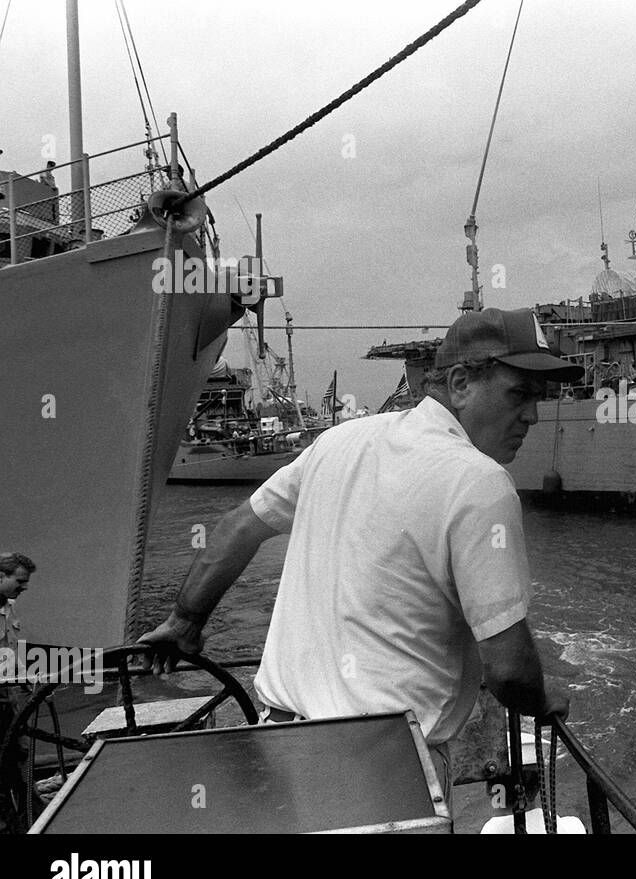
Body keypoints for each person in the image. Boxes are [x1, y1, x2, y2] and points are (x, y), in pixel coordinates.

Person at [140, 309, 582, 801]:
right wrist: (542, 700)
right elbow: (507, 669)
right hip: (384, 767)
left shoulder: (338, 441)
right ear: (460, 384)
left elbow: (238, 528)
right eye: (520, 394)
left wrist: (184, 621)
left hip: (277, 744)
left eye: (539, 399)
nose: (533, 416)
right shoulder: (479, 482)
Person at [0, 553, 36, 831]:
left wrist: (31, 680)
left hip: (7, 697)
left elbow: (8, 650)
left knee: (17, 752)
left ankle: (27, 809)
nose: (24, 588)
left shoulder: (7, 606)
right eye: (20, 581)